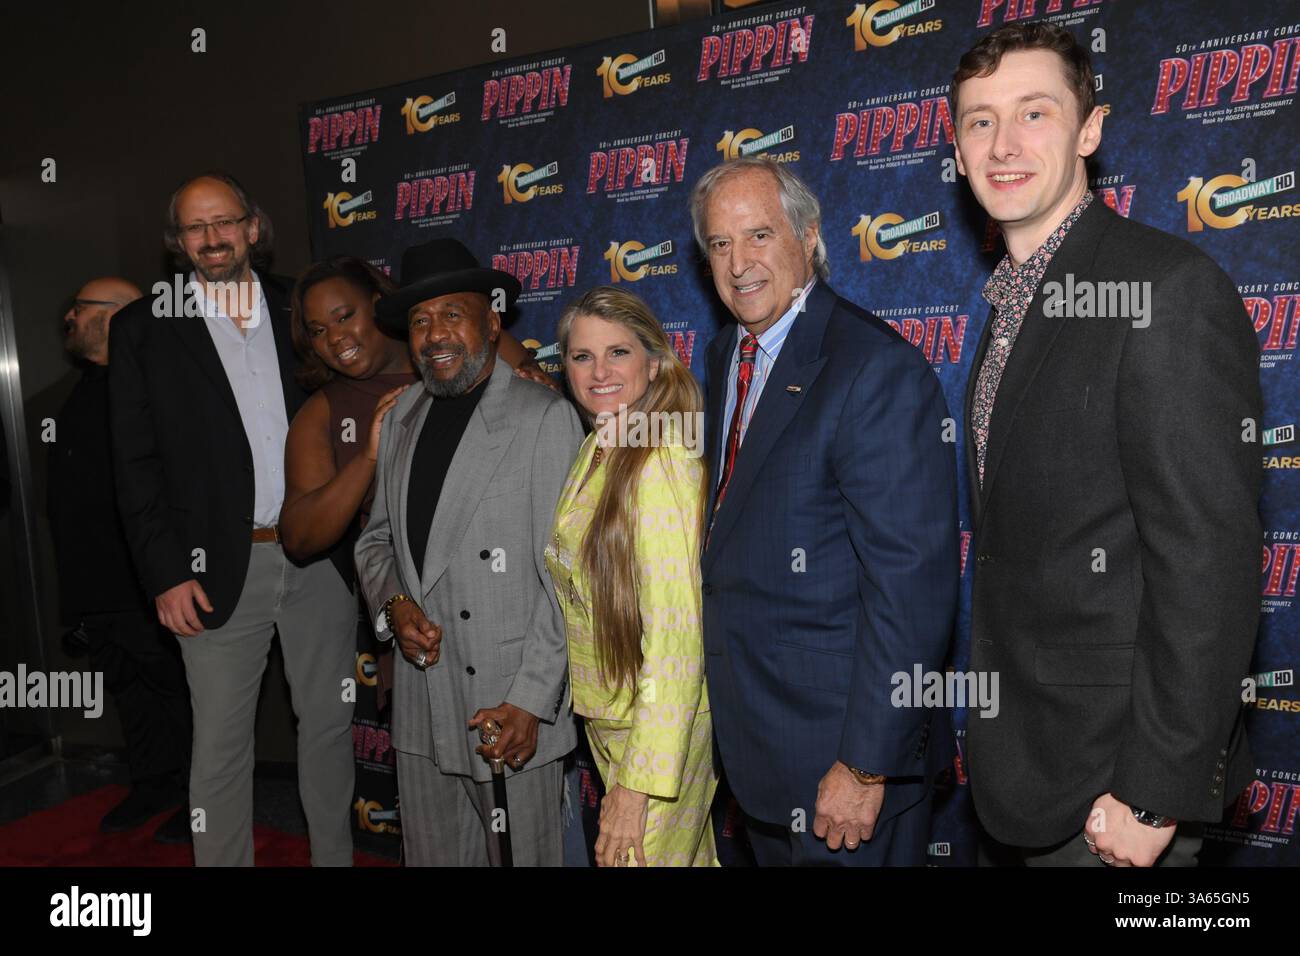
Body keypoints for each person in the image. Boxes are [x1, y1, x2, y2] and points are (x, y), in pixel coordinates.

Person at [952, 23, 1262, 867]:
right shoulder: (1009, 304)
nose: (1004, 144)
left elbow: (1207, 563)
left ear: (1090, 130)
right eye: (979, 121)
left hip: (1113, 790)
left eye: (1034, 113)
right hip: (1025, 771)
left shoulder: (1165, 290)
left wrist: (1155, 793)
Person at [690, 156, 959, 866]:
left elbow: (912, 586)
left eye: (759, 236)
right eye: (719, 244)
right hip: (760, 757)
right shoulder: (724, 356)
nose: (738, 262)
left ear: (807, 237)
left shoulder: (873, 367)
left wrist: (867, 764)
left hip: (844, 766)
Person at [109, 172, 356, 866]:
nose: (212, 238)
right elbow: (133, 465)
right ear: (176, 242)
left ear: (253, 227)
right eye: (195, 227)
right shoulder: (144, 328)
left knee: (330, 729)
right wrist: (162, 574)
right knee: (219, 747)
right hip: (210, 570)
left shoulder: (301, 309)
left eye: (224, 222)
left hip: (318, 557)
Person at [354, 237, 583, 866]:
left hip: (504, 710)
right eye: (422, 321)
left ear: (492, 319)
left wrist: (533, 701)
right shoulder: (401, 417)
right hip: (422, 705)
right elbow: (376, 540)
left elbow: (569, 580)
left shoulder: (543, 417)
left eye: (453, 314)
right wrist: (395, 602)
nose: (435, 335)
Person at [547, 286, 717, 867]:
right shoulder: (598, 443)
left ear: (653, 361)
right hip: (611, 718)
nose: (599, 372)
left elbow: (677, 638)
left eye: (618, 353)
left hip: (656, 733)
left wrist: (636, 787)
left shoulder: (661, 460)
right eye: (581, 356)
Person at [49, 277, 192, 838]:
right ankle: (154, 782)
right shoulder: (85, 388)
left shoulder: (153, 386)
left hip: (145, 582)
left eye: (79, 308)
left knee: (179, 691)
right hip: (97, 589)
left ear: (114, 317)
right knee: (131, 691)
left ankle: (198, 796)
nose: (68, 318)